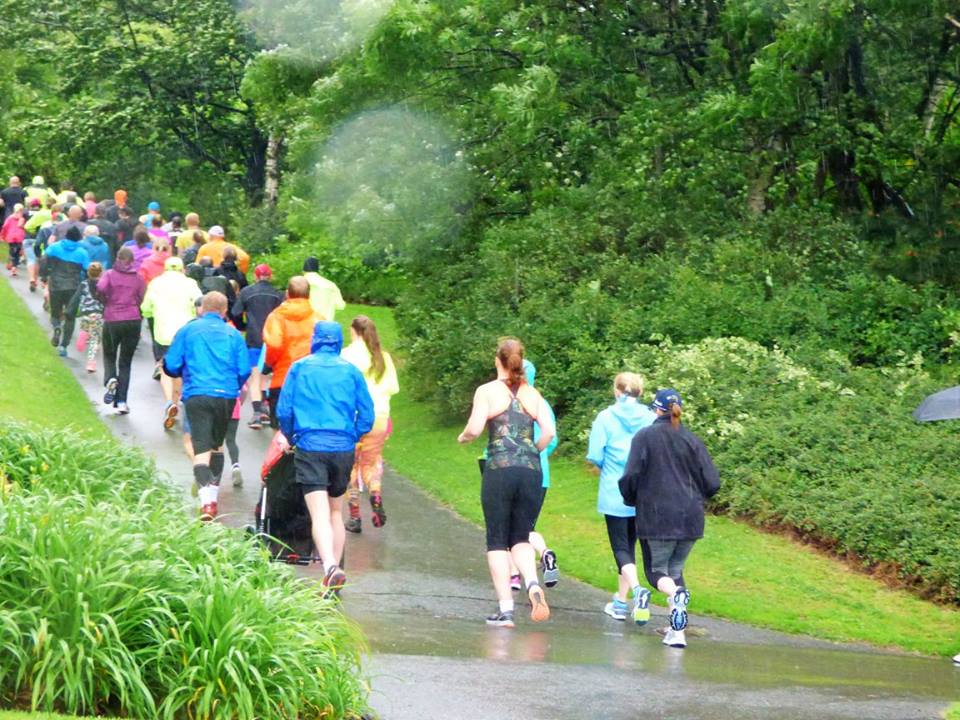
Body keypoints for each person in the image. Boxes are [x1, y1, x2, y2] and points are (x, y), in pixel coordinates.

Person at [457, 337, 556, 628]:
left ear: (497, 360)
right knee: (521, 536)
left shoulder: (487, 391)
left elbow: (475, 428)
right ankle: (533, 585)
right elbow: (548, 432)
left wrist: (463, 437)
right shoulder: (533, 394)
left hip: (500, 468)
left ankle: (506, 610)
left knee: (497, 539)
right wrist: (532, 450)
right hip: (531, 471)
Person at [277, 320, 374, 597]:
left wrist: (292, 435)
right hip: (342, 447)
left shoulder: (300, 368)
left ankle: (330, 567)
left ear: (316, 339)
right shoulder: (351, 371)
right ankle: (333, 576)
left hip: (311, 445)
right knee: (335, 512)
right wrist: (353, 434)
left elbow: (285, 410)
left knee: (318, 514)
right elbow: (366, 413)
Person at [619, 388, 721, 649]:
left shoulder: (645, 437)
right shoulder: (691, 439)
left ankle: (678, 595)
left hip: (657, 517)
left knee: (656, 573)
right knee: (675, 570)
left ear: (656, 409)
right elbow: (712, 482)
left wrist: (632, 499)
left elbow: (630, 476)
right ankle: (677, 633)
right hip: (691, 517)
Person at [163, 291, 250, 520]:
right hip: (225, 395)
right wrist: (232, 386)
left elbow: (171, 364)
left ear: (202, 309)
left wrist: (182, 373)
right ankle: (213, 495)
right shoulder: (233, 335)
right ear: (224, 311)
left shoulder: (188, 330)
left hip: (197, 394)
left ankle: (207, 504)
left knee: (200, 448)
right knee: (217, 446)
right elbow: (243, 369)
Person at [587, 372, 656, 624]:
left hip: (614, 489)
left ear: (617, 391)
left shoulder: (605, 417)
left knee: (620, 548)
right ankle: (620, 603)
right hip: (642, 492)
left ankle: (638, 591)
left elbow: (595, 454)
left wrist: (611, 466)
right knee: (630, 548)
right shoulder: (650, 418)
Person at [341, 315, 400, 533]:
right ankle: (375, 495)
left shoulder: (347, 355)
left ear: (353, 330)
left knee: (351, 465)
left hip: (355, 418)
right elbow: (392, 389)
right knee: (372, 463)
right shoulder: (383, 357)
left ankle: (355, 516)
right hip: (380, 418)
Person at [507, 359, 560, 588]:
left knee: (510, 526)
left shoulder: (507, 402)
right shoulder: (542, 403)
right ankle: (544, 552)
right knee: (526, 525)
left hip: (511, 470)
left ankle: (514, 575)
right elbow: (553, 439)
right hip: (540, 475)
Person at [141, 256, 202, 430]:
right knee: (182, 368)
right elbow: (199, 304)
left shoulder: (156, 283)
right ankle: (177, 399)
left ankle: (169, 401)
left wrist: (152, 313)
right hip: (185, 332)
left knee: (165, 368)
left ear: (165, 269)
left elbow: (146, 308)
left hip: (163, 333)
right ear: (182, 269)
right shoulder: (190, 284)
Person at [262, 276, 320, 428]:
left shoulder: (276, 317)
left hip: (283, 377)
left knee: (279, 429)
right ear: (309, 295)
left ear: (287, 293)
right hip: (309, 380)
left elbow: (274, 345)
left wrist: (269, 363)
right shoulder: (318, 319)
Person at [232, 263, 283, 428]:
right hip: (273, 340)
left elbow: (235, 312)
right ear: (271, 276)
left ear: (255, 276)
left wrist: (243, 326)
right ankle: (266, 406)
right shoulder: (278, 294)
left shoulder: (247, 292)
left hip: (254, 338)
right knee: (267, 376)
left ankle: (256, 413)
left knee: (255, 375)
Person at [97, 247, 146, 414]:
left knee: (109, 354)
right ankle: (122, 401)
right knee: (125, 362)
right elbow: (141, 297)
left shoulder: (109, 274)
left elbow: (101, 288)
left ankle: (110, 378)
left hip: (112, 319)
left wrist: (106, 301)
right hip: (133, 319)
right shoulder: (138, 278)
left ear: (117, 258)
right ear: (132, 261)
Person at [40, 225, 90, 356]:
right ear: (78, 239)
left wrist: (44, 276)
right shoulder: (82, 252)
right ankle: (64, 346)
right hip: (73, 287)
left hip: (56, 284)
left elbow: (44, 259)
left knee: (55, 313)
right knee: (70, 316)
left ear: (66, 236)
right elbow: (87, 270)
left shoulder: (55, 247)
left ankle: (56, 327)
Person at [67, 261, 105, 374]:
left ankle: (82, 337)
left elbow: (76, 298)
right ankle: (91, 362)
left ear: (88, 273)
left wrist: (70, 310)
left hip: (85, 313)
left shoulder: (83, 284)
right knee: (95, 338)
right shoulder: (103, 285)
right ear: (101, 273)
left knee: (85, 328)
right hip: (97, 314)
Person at [302, 256, 345, 321]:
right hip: (325, 325)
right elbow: (340, 305)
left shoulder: (299, 283)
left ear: (303, 270)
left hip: (306, 325)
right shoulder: (331, 285)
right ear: (317, 269)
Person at [22, 198, 48, 291]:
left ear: (30, 205)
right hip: (38, 239)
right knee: (37, 260)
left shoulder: (25, 213)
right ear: (40, 206)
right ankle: (35, 280)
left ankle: (32, 279)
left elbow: (21, 224)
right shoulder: (43, 215)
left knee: (31, 259)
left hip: (27, 238)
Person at [1, 203, 25, 275]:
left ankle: (11, 264)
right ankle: (14, 266)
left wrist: (2, 235)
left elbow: (5, 227)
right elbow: (23, 227)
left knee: (12, 250)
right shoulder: (22, 218)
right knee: (17, 252)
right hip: (19, 237)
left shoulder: (9, 218)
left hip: (11, 236)